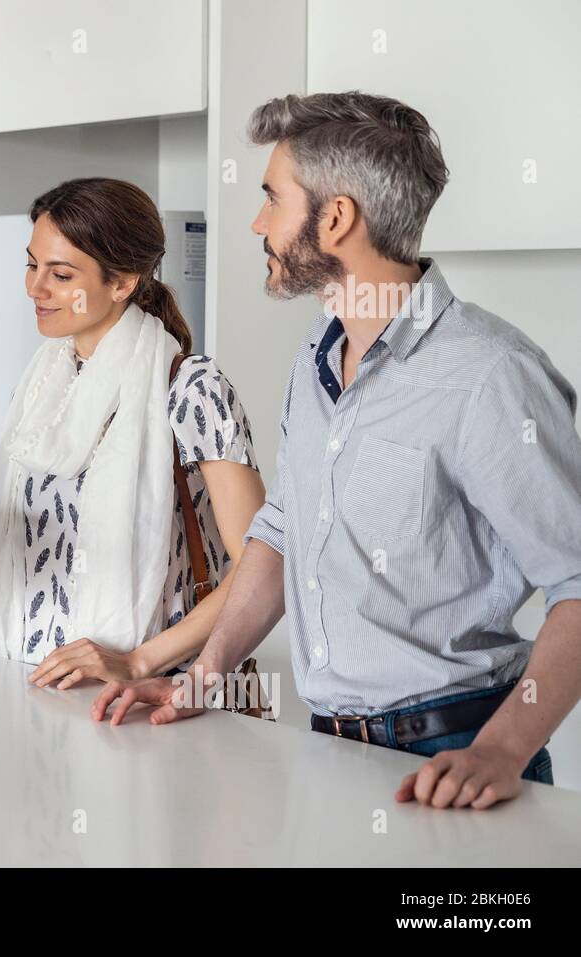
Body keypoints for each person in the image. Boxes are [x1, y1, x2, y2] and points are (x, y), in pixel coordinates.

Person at [93, 92, 581, 810]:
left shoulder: (490, 375)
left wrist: (503, 748)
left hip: (451, 759)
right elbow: (284, 529)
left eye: (271, 200)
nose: (257, 223)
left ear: (336, 218)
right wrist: (206, 672)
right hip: (325, 754)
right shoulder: (317, 359)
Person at [0, 178, 265, 680]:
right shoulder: (41, 389)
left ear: (122, 282)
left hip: (149, 702)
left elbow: (259, 564)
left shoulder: (192, 389)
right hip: (35, 690)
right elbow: (50, 583)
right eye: (32, 265)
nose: (35, 287)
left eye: (60, 274)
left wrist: (138, 659)